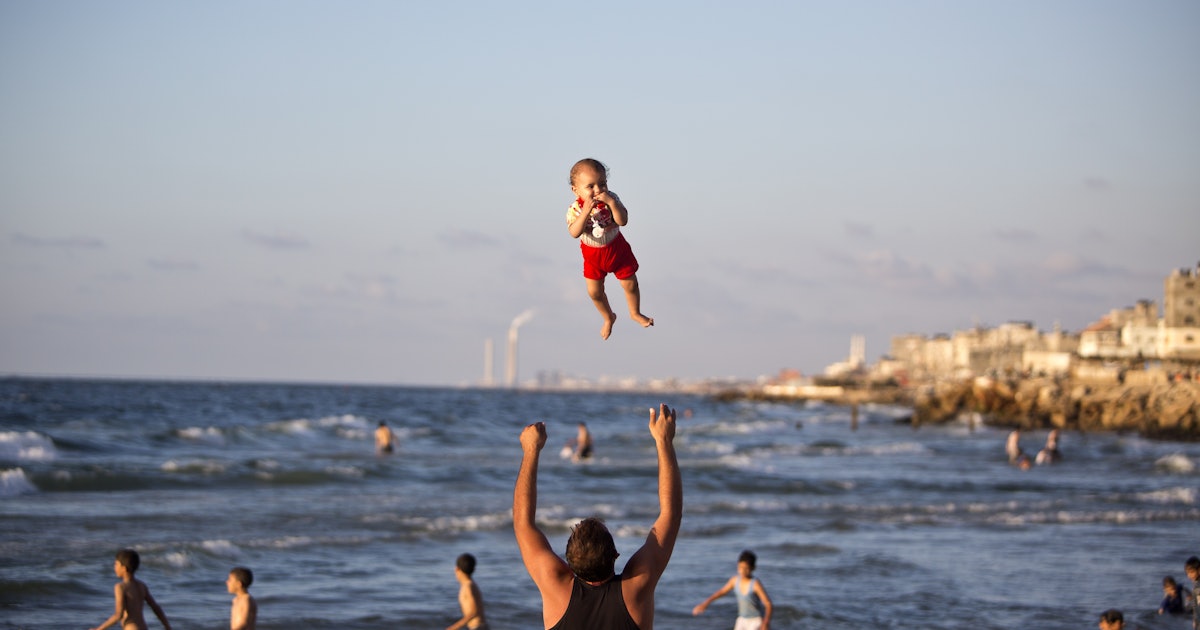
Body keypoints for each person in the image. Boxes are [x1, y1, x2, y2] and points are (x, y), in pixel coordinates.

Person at [514, 403, 681, 629]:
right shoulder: (635, 588)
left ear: (568, 564)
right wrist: (664, 441)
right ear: (615, 554)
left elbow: (523, 523)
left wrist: (531, 450)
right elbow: (670, 514)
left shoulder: (556, 587)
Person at [565, 158, 653, 340]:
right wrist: (585, 213)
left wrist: (612, 204)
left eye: (602, 184)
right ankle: (608, 317)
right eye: (590, 186)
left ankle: (635, 312)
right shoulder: (575, 209)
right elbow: (574, 232)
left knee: (630, 283)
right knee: (594, 292)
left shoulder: (611, 199)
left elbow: (623, 221)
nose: (598, 190)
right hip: (593, 255)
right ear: (576, 190)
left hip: (616, 248)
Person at [90, 548, 172, 630]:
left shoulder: (120, 587)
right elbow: (156, 608)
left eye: (116, 564)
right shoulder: (141, 586)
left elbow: (119, 615)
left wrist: (99, 629)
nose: (114, 567)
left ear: (124, 568)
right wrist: (167, 626)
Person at [692, 550, 773, 630]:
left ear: (753, 568)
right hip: (742, 619)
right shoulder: (735, 581)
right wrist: (705, 603)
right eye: (740, 567)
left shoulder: (755, 584)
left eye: (746, 568)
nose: (742, 571)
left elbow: (768, 604)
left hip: (756, 620)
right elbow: (721, 592)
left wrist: (765, 622)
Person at [447, 553, 488, 630]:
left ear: (457, 569)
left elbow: (473, 611)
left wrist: (454, 627)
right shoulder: (471, 585)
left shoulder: (468, 586)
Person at [1186, 555, 1200, 629]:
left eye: (1191, 572)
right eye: (1187, 573)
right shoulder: (1196, 584)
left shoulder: (1198, 585)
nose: (1189, 575)